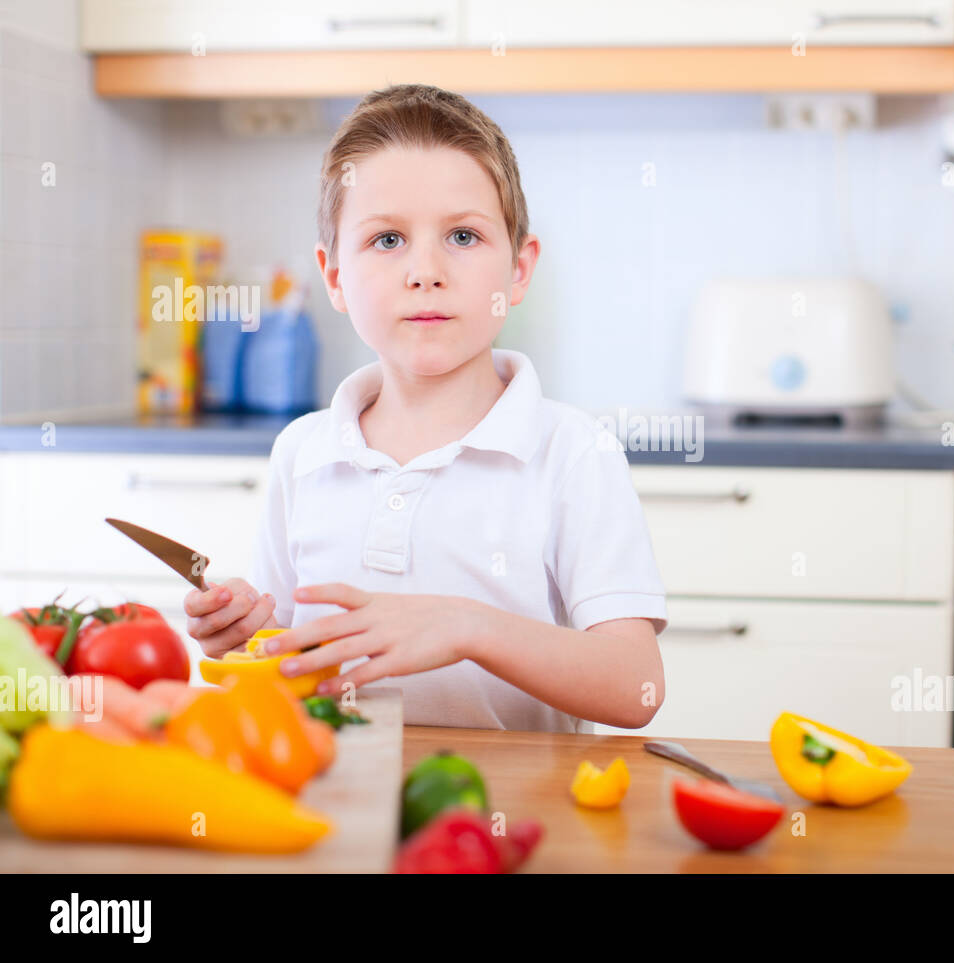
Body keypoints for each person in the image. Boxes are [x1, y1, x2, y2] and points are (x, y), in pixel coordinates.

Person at [183, 84, 668, 733]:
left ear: (518, 270)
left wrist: (467, 625)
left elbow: (635, 686)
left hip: (506, 820)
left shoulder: (573, 452)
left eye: (463, 235)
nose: (425, 271)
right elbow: (285, 653)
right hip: (334, 807)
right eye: (387, 240)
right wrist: (243, 634)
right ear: (333, 277)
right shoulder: (302, 450)